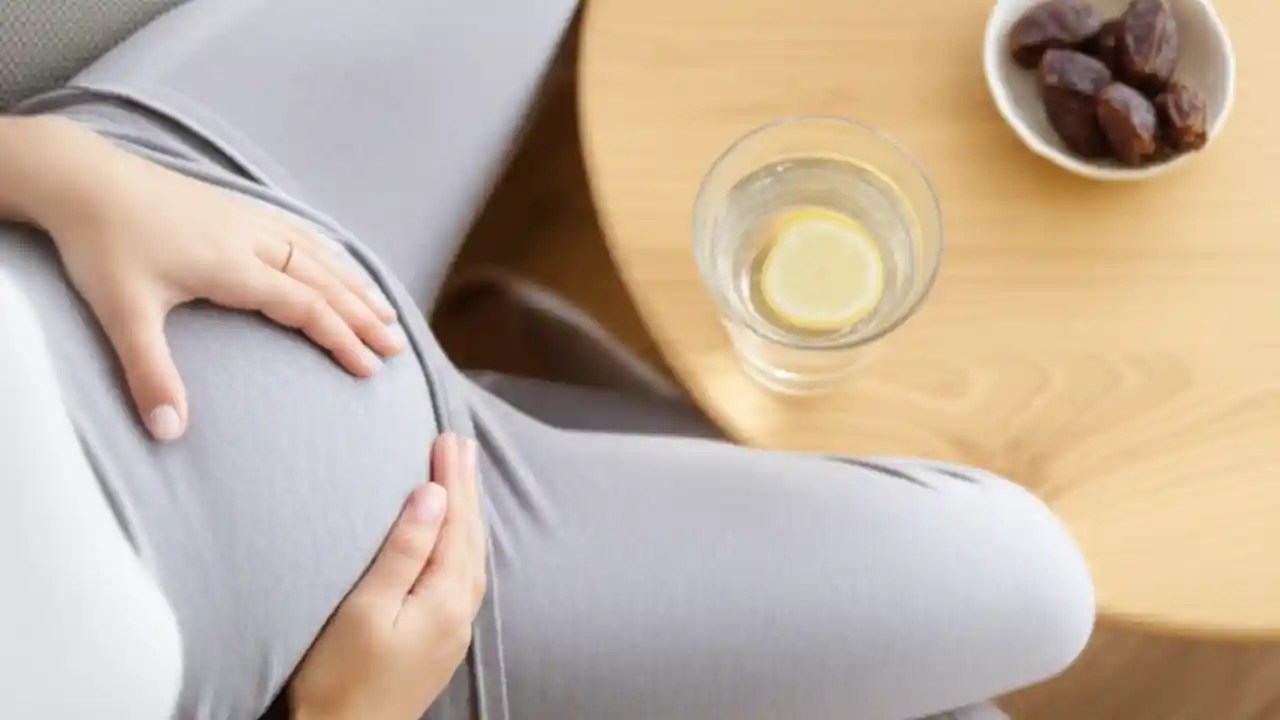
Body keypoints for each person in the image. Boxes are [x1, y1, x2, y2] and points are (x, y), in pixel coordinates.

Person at [0, 2, 1094, 719]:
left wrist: (71, 177)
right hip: (391, 620)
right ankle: (509, 381)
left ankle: (507, 364)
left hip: (168, 178)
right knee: (1034, 588)